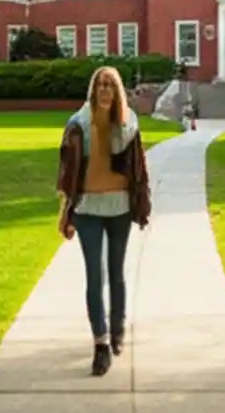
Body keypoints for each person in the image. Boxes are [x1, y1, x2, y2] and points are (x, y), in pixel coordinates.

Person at [55, 66, 152, 377]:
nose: (105, 89)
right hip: (88, 209)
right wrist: (66, 211)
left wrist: (141, 203)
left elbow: (138, 167)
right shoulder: (78, 124)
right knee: (94, 276)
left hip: (120, 206)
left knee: (116, 271)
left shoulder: (128, 123)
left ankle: (118, 327)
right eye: (101, 85)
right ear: (93, 89)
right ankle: (100, 343)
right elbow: (68, 174)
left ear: (118, 90)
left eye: (111, 85)